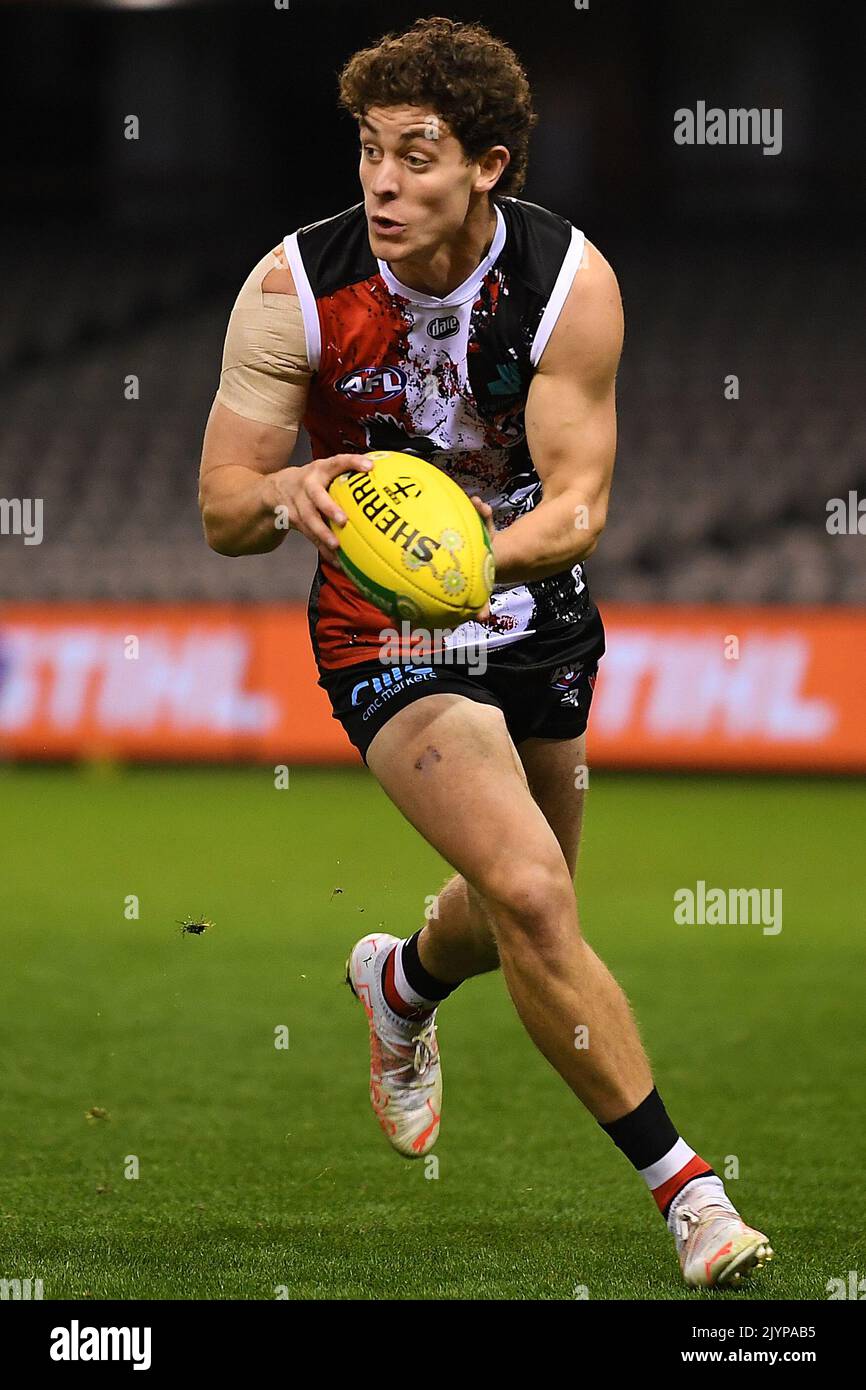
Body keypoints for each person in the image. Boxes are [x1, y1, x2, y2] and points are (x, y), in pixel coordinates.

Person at [198, 16, 772, 1289]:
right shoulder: (292, 287)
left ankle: (398, 979)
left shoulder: (570, 283)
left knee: (519, 902)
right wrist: (292, 487)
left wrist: (480, 567)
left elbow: (578, 505)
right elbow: (222, 508)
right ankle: (690, 1194)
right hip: (377, 619)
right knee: (529, 892)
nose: (384, 183)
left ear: (489, 166)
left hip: (534, 606)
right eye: (368, 153)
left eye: (416, 156)